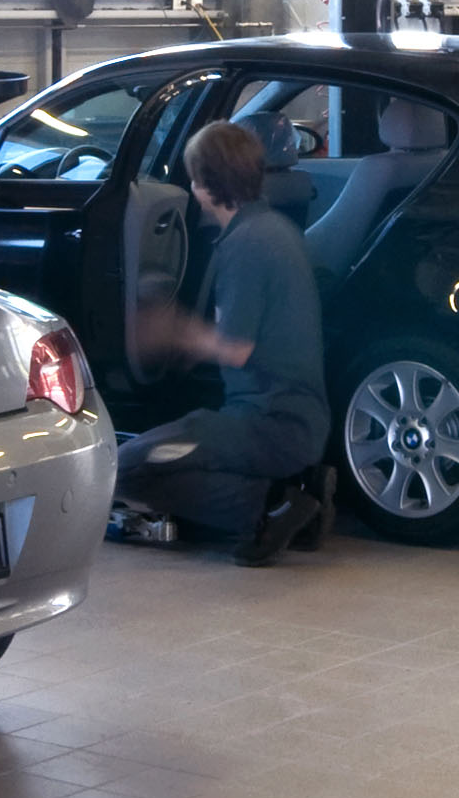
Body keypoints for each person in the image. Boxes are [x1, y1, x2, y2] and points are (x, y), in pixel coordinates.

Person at [104, 120, 333, 565]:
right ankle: (297, 496)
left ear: (207, 183)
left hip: (270, 422)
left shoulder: (246, 246)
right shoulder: (275, 229)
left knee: (129, 466)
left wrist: (173, 330)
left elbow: (235, 348)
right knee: (175, 442)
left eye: (193, 178)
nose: (191, 189)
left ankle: (267, 509)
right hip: (296, 418)